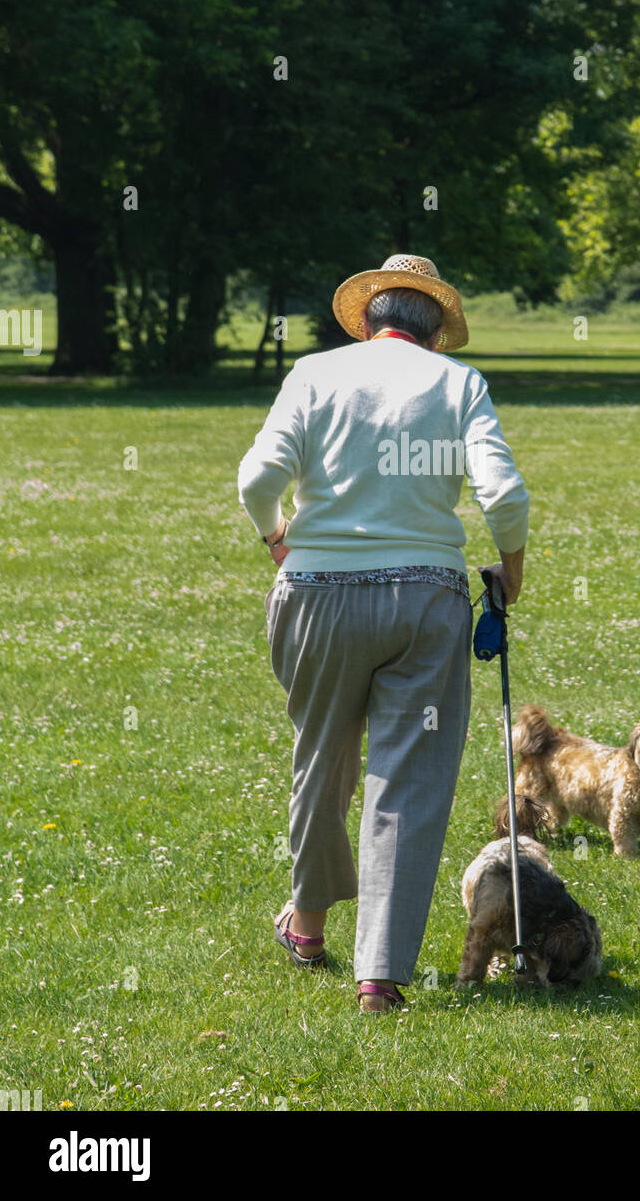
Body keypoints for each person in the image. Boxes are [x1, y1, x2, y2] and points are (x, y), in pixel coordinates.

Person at [237, 254, 529, 1013]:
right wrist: (510, 570)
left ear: (366, 321)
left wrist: (276, 537)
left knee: (320, 757)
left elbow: (256, 479)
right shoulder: (458, 383)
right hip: (424, 599)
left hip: (315, 596)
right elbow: (501, 491)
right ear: (435, 335)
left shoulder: (313, 372)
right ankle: (380, 974)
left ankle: (305, 926)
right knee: (408, 783)